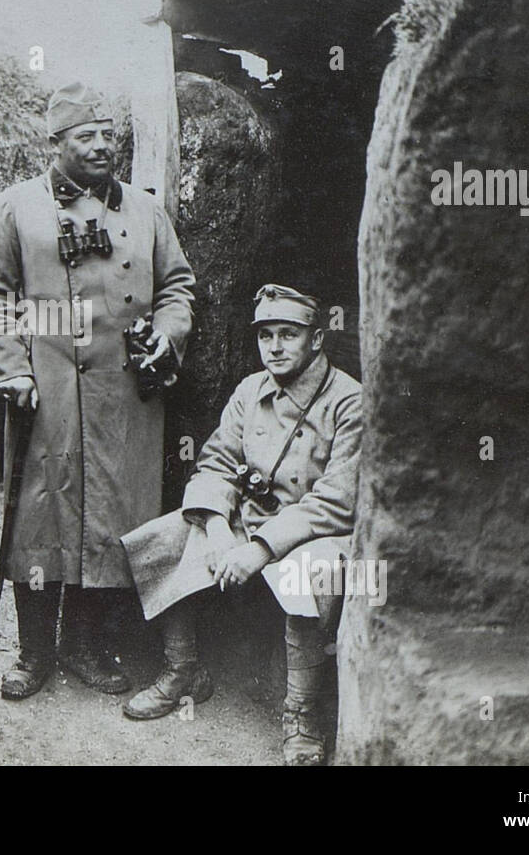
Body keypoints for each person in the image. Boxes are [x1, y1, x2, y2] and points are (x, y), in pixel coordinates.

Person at [0, 81, 196, 700]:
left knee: (111, 522)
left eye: (108, 134)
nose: (102, 146)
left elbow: (178, 287)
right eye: (86, 136)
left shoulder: (145, 211)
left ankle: (85, 647)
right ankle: (34, 652)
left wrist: (169, 335)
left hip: (126, 395)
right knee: (40, 523)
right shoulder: (17, 207)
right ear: (56, 143)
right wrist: (10, 367)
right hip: (46, 392)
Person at [120, 284, 362, 765]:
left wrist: (261, 548)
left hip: (314, 532)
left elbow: (339, 498)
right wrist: (217, 527)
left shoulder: (349, 401)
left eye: (288, 334)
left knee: (313, 573)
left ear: (316, 339)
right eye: (265, 335)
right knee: (166, 538)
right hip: (246, 521)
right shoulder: (249, 391)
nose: (273, 346)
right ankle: (184, 669)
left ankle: (303, 714)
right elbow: (215, 463)